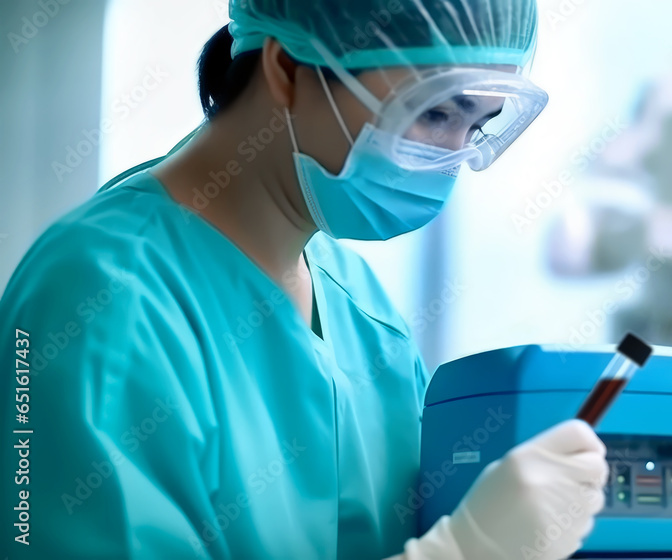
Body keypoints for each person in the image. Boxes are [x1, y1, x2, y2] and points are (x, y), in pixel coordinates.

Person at [0, 0, 608, 558]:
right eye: (432, 112)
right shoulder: (98, 301)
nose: (452, 159)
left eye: (476, 127)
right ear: (286, 69)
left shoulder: (359, 307)